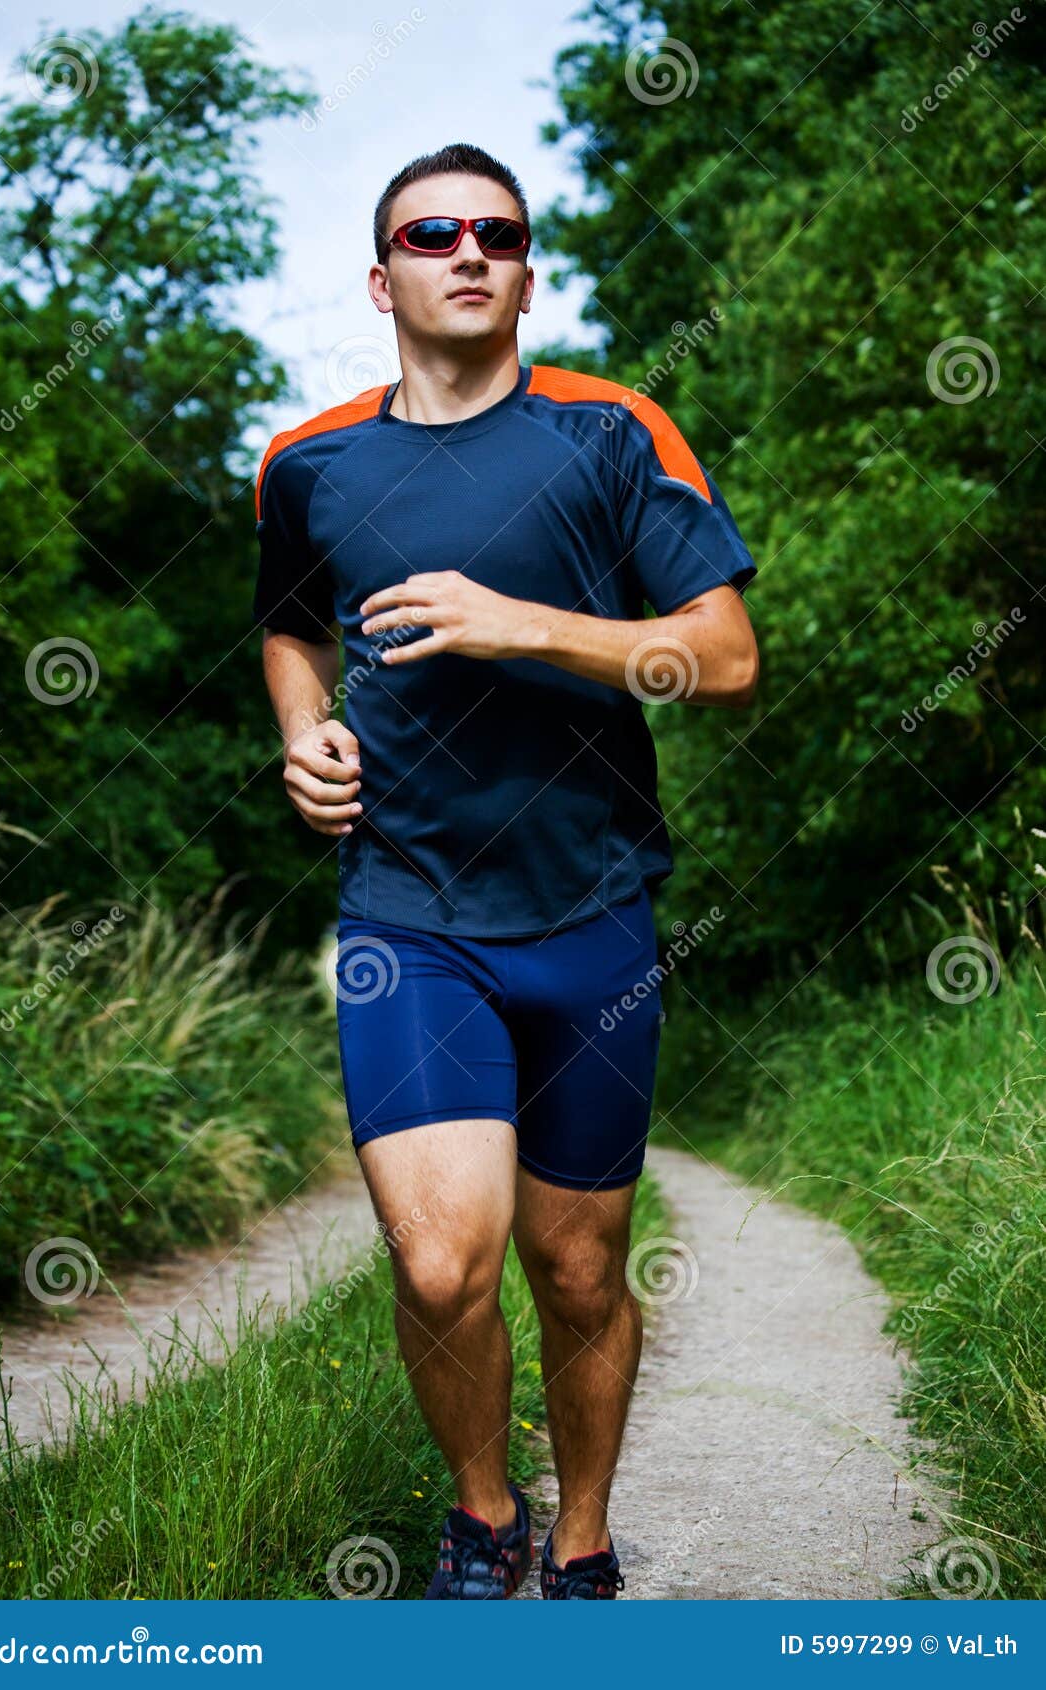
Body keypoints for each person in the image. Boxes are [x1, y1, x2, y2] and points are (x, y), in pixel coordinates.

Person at [252, 142, 759, 1600]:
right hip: (407, 916)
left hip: (591, 912)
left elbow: (725, 658)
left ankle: (583, 1531)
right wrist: (304, 732)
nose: (468, 251)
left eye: (498, 233)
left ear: (528, 273)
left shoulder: (613, 432)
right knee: (438, 1264)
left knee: (580, 1269)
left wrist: (520, 622)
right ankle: (485, 1518)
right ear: (383, 279)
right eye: (433, 235)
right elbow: (291, 626)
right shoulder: (308, 464)